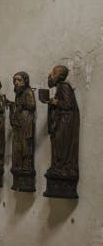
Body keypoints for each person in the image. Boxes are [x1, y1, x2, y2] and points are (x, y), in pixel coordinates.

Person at [43, 65, 80, 195]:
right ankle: (59, 167)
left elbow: (69, 105)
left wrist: (56, 102)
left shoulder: (64, 86)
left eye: (53, 73)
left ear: (59, 75)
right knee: (58, 146)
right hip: (61, 121)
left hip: (65, 123)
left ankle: (62, 168)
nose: (49, 75)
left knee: (62, 146)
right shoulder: (60, 87)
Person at [7, 72, 36, 192]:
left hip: (26, 121)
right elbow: (19, 106)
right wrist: (12, 104)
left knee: (25, 144)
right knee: (17, 145)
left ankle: (26, 166)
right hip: (19, 123)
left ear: (25, 80)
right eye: (14, 80)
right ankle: (18, 166)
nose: (16, 82)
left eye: (18, 80)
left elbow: (32, 105)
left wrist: (20, 104)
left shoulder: (28, 91)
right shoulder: (18, 93)